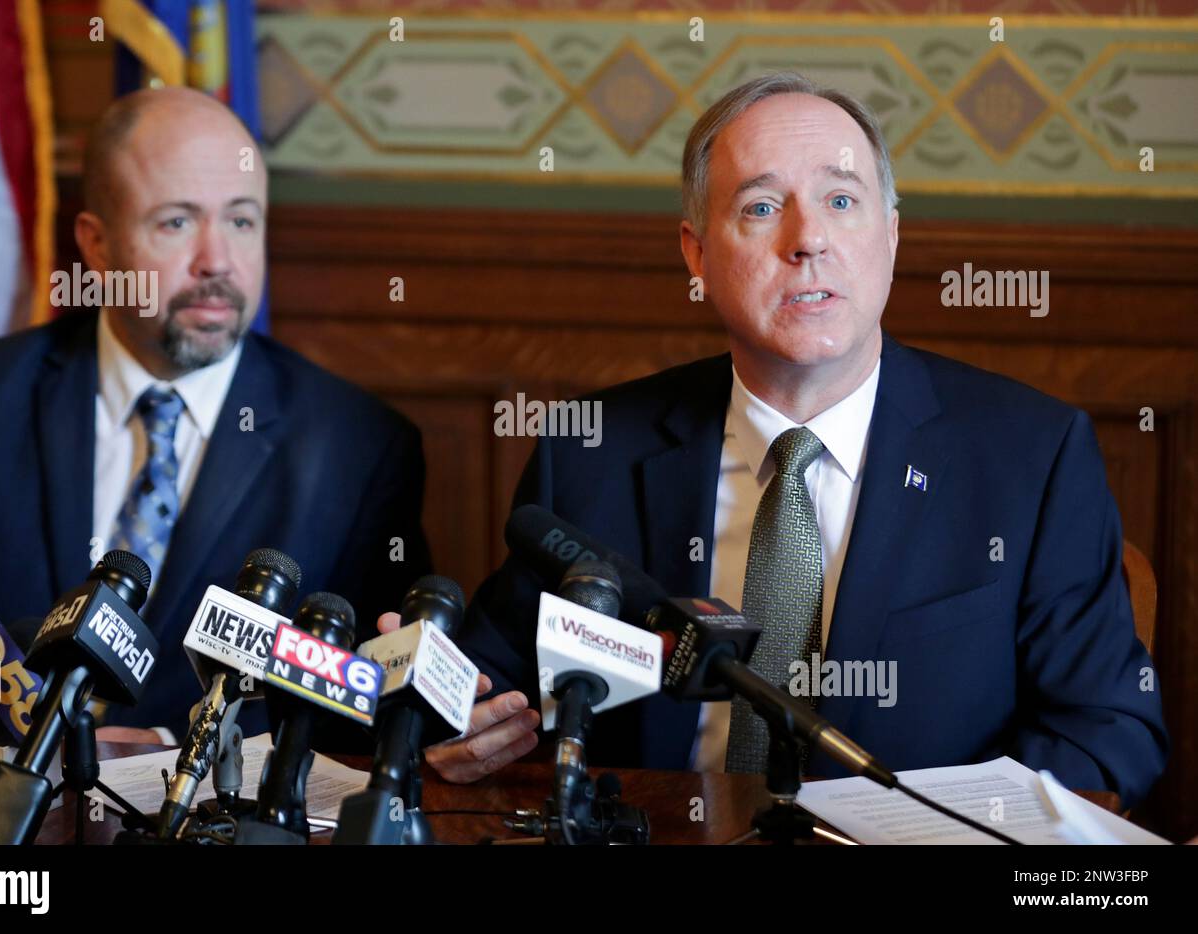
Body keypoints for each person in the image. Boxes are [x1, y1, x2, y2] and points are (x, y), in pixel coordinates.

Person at [405, 73, 1168, 808]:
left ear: (891, 236)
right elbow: (486, 693)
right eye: (763, 207)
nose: (808, 241)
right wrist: (438, 710)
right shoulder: (592, 453)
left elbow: (1108, 732)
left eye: (842, 201)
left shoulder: (1030, 457)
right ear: (697, 254)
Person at [0, 87, 430, 740]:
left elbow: (362, 696)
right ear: (96, 245)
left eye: (241, 220)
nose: (217, 262)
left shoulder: (360, 446)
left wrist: (172, 750)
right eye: (176, 222)